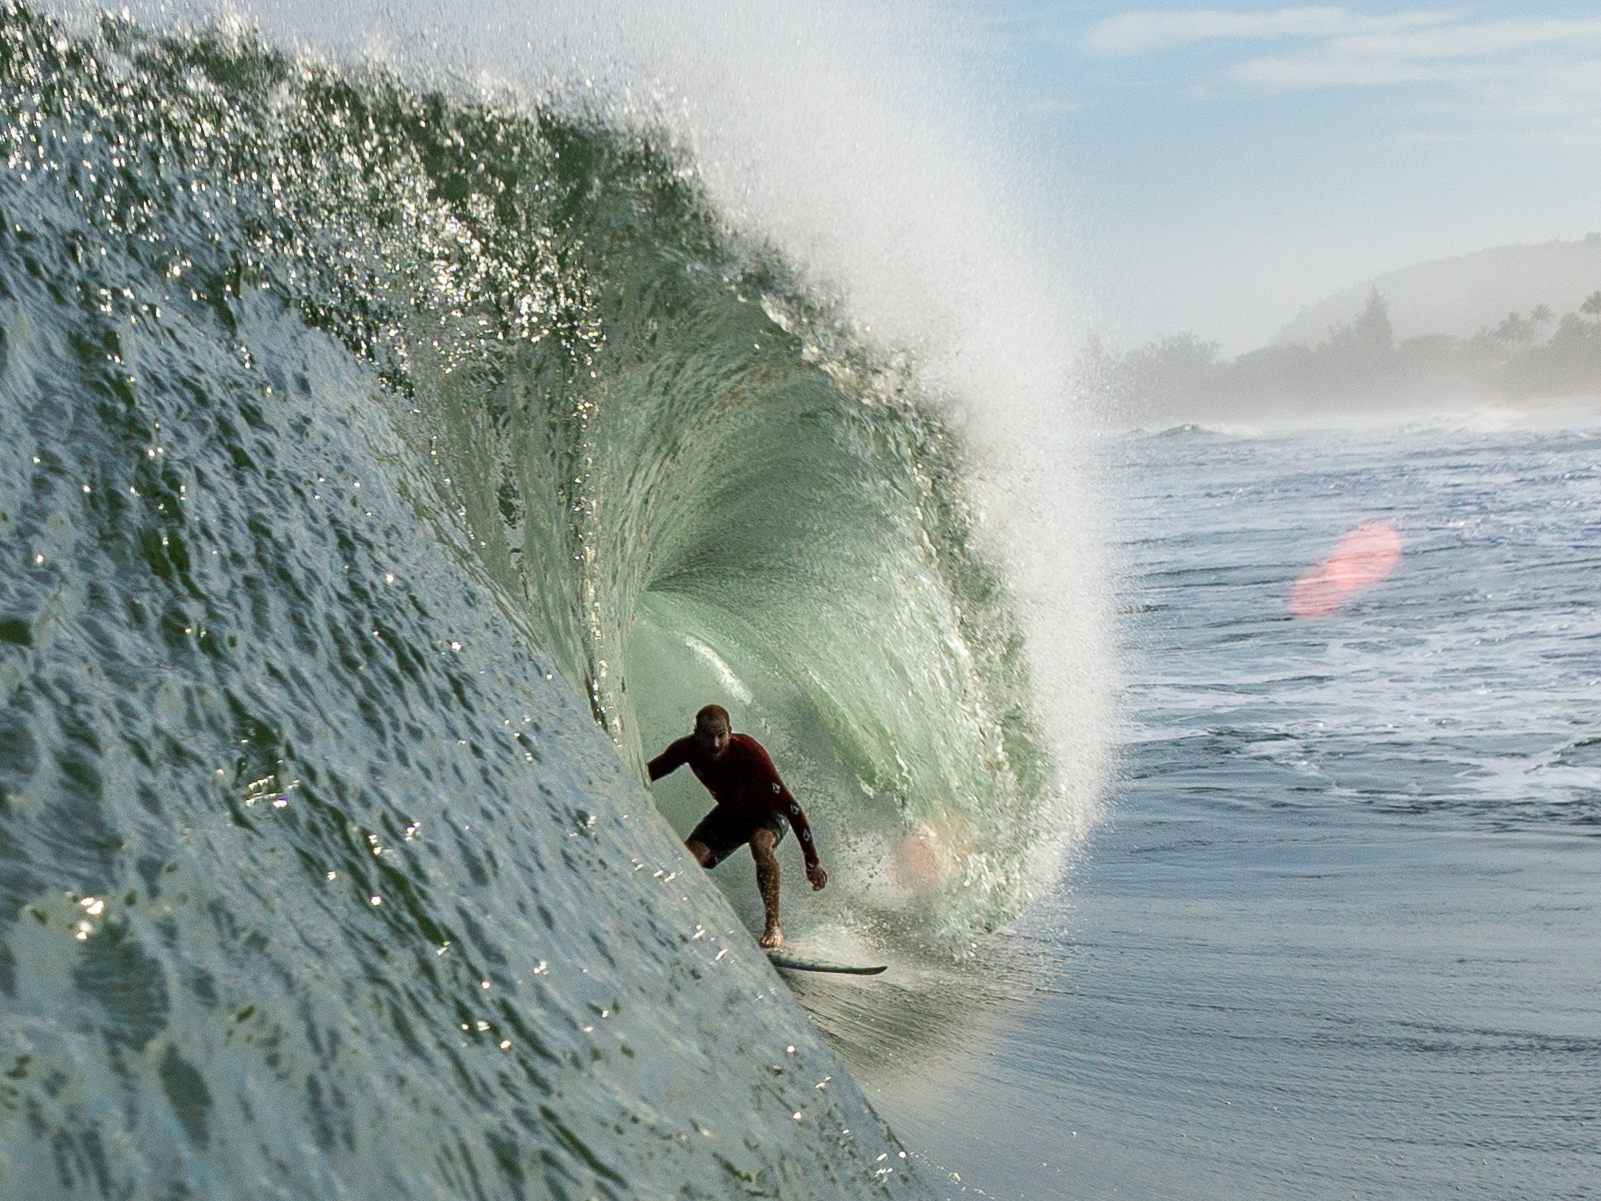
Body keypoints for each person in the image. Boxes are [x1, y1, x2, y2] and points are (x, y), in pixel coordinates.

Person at [648, 704, 827, 948]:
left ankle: (773, 923)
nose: (715, 744)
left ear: (730, 732)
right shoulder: (686, 749)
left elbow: (791, 807)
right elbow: (649, 772)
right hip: (730, 815)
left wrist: (812, 862)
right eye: (708, 736)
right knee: (688, 858)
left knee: (761, 846)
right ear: (696, 732)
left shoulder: (749, 753)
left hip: (769, 814)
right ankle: (678, 913)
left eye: (721, 735)